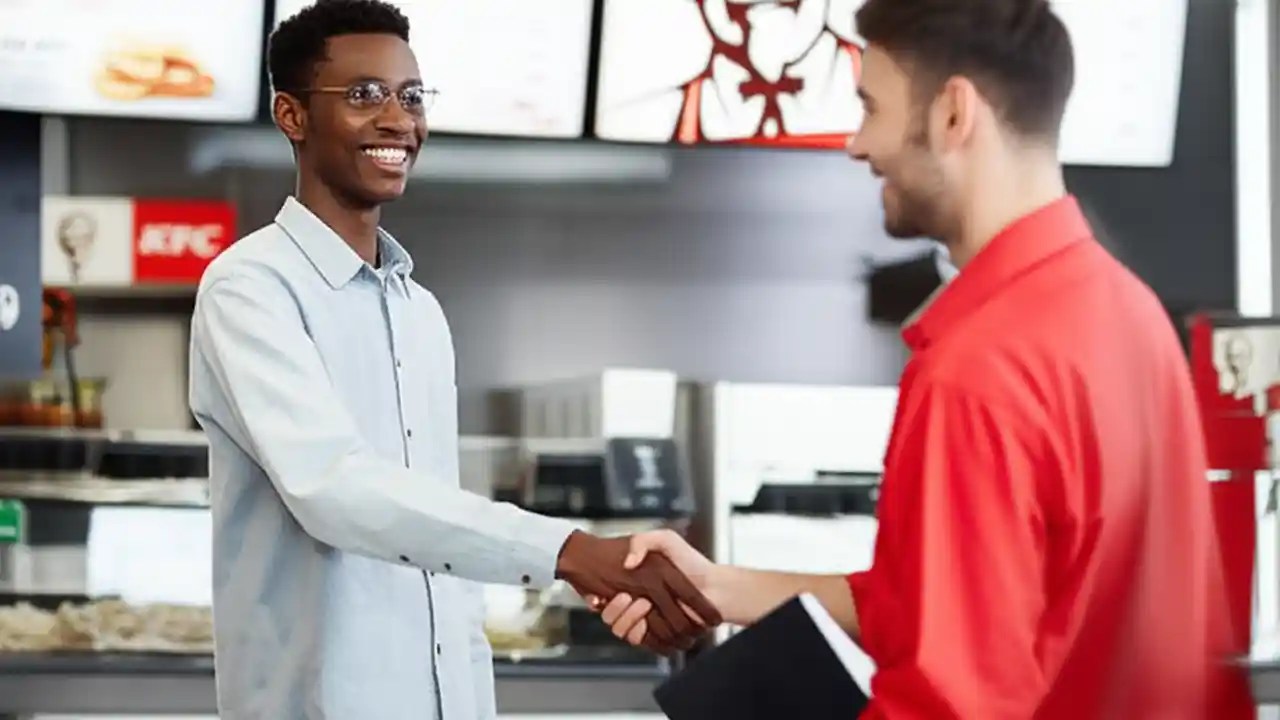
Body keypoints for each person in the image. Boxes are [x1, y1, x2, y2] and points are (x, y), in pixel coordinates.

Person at [595, 0, 1248, 717]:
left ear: (952, 114)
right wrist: (719, 587)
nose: (856, 144)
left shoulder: (978, 367)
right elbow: (967, 600)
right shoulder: (1131, 314)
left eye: (870, 107)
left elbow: (947, 701)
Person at [187, 2, 717, 718]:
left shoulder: (420, 312)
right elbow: (335, 489)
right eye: (364, 95)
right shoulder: (250, 288)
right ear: (292, 115)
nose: (399, 121)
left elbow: (440, 548)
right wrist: (568, 550)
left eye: (411, 96)